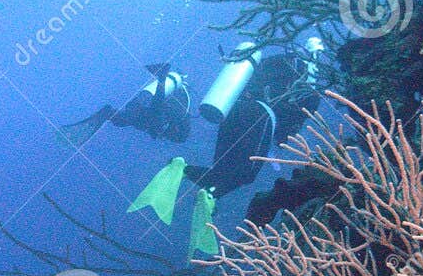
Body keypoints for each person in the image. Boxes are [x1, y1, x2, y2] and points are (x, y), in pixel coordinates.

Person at [129, 39, 323, 257]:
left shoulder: (272, 62)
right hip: (261, 115)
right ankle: (211, 194)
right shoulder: (308, 78)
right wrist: (282, 138)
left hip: (232, 111)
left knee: (222, 168)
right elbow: (295, 120)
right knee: (246, 174)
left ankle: (181, 169)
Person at [57, 63, 191, 149]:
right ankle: (162, 76)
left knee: (125, 120)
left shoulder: (179, 105)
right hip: (146, 114)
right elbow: (160, 108)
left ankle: (109, 113)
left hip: (138, 108)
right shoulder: (181, 106)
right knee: (151, 112)